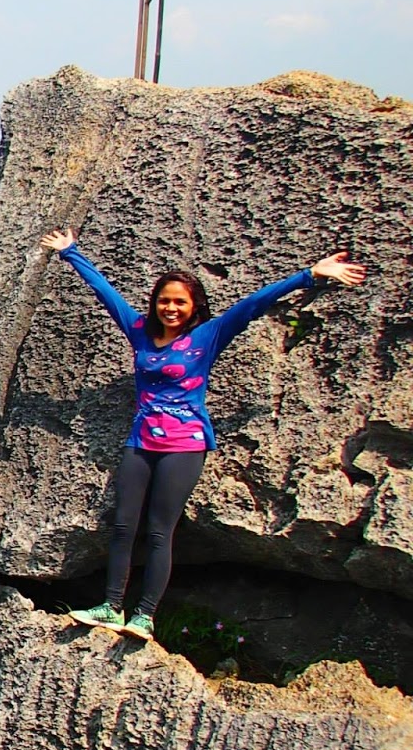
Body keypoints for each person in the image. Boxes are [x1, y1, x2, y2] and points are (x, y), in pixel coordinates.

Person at [40, 227, 367, 639]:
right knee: (123, 526)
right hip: (141, 442)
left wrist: (310, 275)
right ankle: (111, 606)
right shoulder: (140, 331)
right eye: (164, 300)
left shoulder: (207, 336)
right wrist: (71, 252)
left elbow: (252, 304)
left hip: (184, 445)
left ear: (194, 306)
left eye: (180, 301)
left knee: (159, 531)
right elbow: (107, 295)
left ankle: (144, 616)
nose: (170, 308)